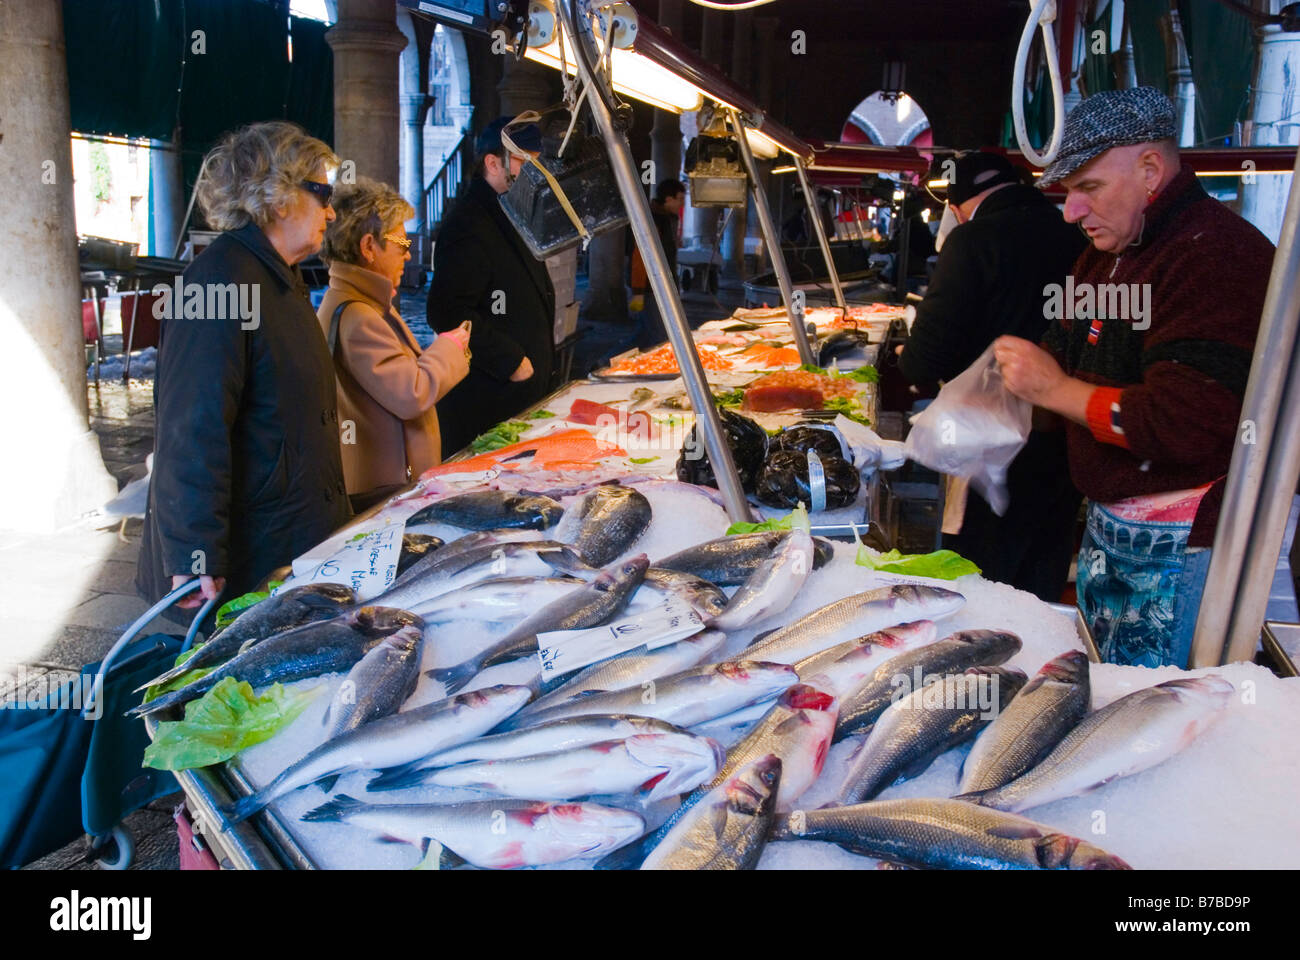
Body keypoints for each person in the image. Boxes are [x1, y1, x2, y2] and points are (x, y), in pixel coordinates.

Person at [993, 88, 1275, 667]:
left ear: (1150, 169)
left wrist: (1052, 389)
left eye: (1088, 188)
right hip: (1109, 529)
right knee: (1107, 690)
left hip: (1184, 548)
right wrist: (999, 397)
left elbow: (1181, 423)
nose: (1071, 212)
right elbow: (1061, 355)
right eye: (1068, 193)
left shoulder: (1214, 255)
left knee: (1151, 715)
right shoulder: (1101, 257)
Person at [137, 121, 351, 613]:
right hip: (251, 551)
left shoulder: (276, 273)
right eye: (322, 192)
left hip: (287, 533)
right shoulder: (217, 282)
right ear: (278, 196)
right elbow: (191, 426)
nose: (331, 209)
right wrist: (195, 554)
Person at [895, 151, 1088, 602]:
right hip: (1062, 431)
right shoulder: (1078, 239)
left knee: (981, 572)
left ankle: (983, 662)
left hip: (985, 439)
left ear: (960, 201)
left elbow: (925, 359)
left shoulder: (973, 240)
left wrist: (911, 357)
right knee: (1043, 558)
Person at [318, 178, 471, 512]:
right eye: (401, 242)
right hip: (382, 488)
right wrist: (450, 346)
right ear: (369, 246)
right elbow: (411, 394)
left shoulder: (358, 302)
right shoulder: (359, 316)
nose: (408, 252)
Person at [426, 116, 556, 459]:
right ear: (492, 162)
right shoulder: (470, 221)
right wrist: (511, 360)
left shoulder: (509, 210)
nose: (535, 173)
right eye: (524, 162)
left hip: (518, 397)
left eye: (537, 163)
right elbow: (446, 310)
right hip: (489, 400)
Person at [629, 178, 686, 348]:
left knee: (645, 334)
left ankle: (605, 362)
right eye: (681, 199)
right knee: (659, 337)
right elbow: (640, 256)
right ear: (669, 199)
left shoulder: (668, 218)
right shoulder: (653, 220)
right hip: (651, 288)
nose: (682, 204)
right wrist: (638, 291)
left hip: (663, 286)